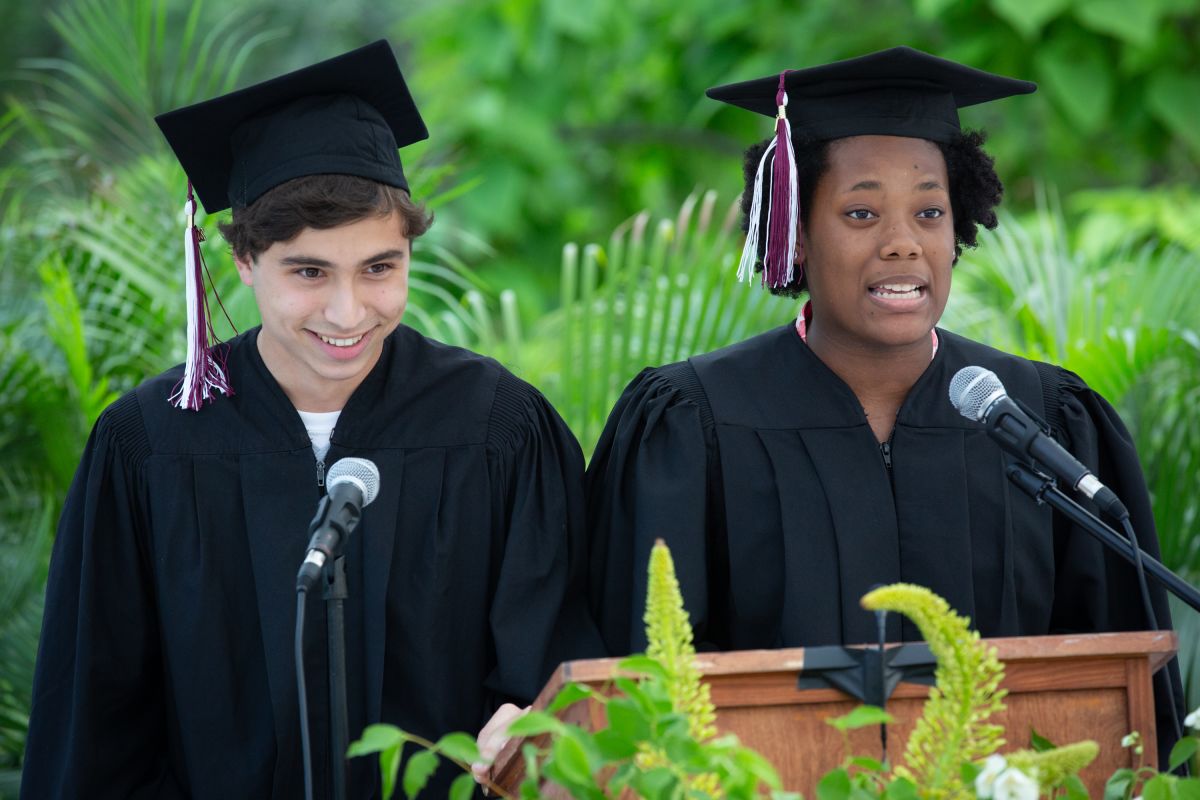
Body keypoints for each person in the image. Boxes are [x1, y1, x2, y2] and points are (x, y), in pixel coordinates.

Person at [21, 41, 602, 798]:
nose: (348, 312)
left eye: (379, 267)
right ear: (243, 261)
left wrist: (529, 724)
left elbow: (560, 680)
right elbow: (96, 729)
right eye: (308, 271)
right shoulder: (150, 444)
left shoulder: (498, 427)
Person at [585, 47, 1185, 763]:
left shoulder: (1044, 422)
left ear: (957, 230)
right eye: (861, 212)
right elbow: (636, 695)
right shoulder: (693, 425)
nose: (903, 244)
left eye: (929, 211)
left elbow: (1124, 704)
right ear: (795, 233)